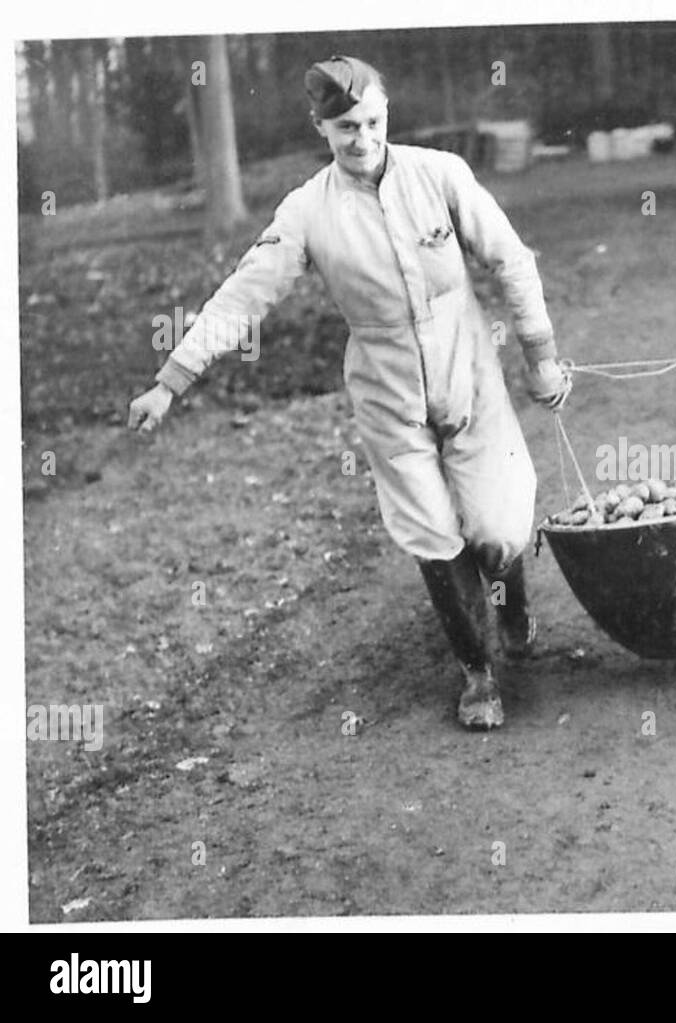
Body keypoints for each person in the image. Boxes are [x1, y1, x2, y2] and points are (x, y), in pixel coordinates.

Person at [127, 55, 571, 729]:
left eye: (370, 122)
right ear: (321, 129)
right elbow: (244, 296)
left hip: (468, 366)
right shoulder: (307, 211)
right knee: (430, 527)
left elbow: (509, 257)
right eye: (344, 128)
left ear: (386, 115)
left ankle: (512, 605)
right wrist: (172, 378)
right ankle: (478, 671)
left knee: (498, 525)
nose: (360, 139)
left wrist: (541, 355)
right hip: (386, 387)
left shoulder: (441, 175)